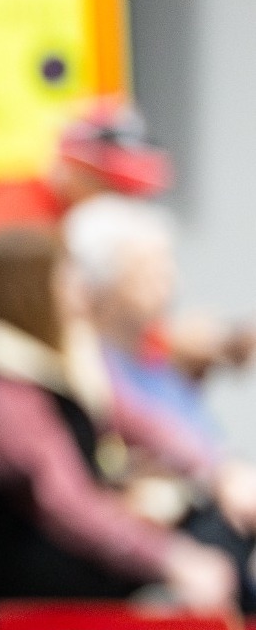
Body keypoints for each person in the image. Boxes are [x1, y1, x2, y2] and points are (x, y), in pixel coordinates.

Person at [0, 227, 239, 612]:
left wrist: (220, 468)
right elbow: (66, 504)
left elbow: (137, 421)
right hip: (35, 576)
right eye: (65, 279)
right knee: (219, 539)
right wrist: (171, 558)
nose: (79, 295)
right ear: (27, 291)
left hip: (60, 555)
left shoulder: (33, 366)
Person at [63, 195, 256, 538]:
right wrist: (219, 471)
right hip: (187, 514)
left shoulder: (158, 352)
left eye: (167, 267)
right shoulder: (87, 356)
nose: (169, 284)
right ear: (103, 281)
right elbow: (140, 425)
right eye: (149, 271)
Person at [0, 98, 169, 325]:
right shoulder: (15, 206)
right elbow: (16, 308)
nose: (121, 209)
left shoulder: (78, 220)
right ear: (75, 171)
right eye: (113, 190)